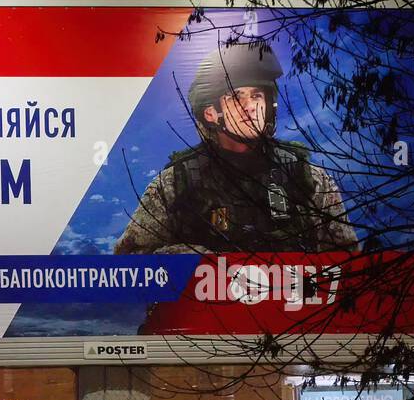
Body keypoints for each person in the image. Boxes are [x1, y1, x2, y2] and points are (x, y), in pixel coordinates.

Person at [115, 42, 358, 256]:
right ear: (211, 113)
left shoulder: (306, 177)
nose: (249, 107)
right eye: (235, 96)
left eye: (257, 96)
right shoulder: (177, 183)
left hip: (294, 307)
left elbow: (348, 263)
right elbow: (130, 260)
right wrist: (193, 261)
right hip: (207, 307)